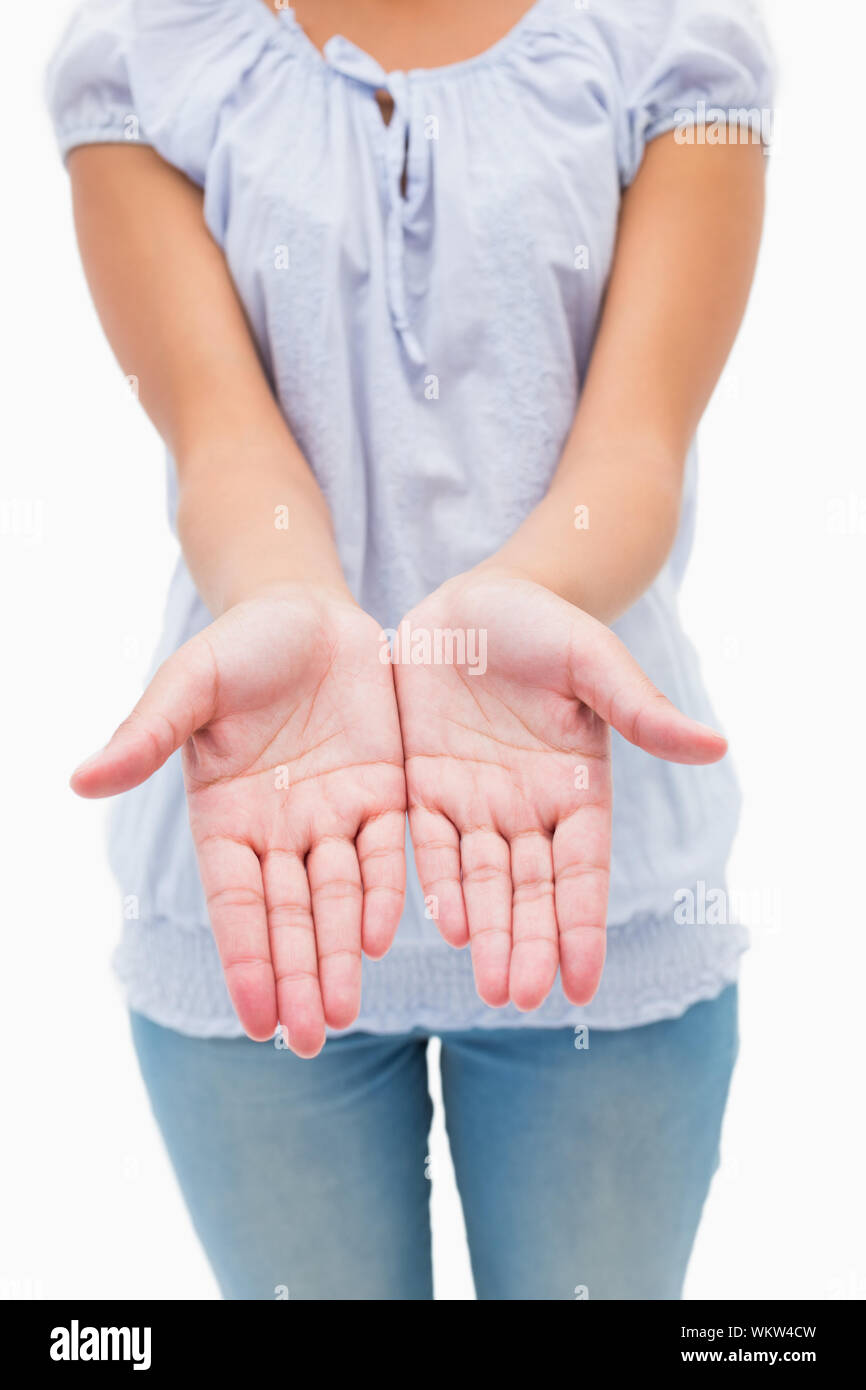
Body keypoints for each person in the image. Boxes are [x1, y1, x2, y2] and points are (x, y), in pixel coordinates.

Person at [47, 0, 773, 1299]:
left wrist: (519, 594)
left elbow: (633, 450)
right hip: (263, 879)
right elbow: (225, 444)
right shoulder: (146, 55)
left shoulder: (673, 41)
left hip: (590, 882)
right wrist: (289, 596)